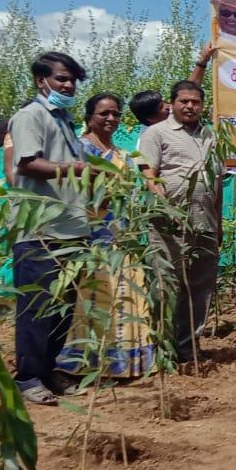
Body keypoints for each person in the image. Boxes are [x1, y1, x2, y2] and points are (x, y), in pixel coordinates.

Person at [8, 51, 95, 405]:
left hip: (70, 227)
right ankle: (27, 377)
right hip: (40, 229)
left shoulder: (65, 120)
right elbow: (28, 164)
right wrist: (75, 169)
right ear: (40, 80)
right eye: (61, 78)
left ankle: (48, 370)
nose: (68, 85)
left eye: (72, 80)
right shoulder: (30, 116)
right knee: (36, 307)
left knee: (63, 307)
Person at [57, 93, 156, 382]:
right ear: (89, 117)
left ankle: (123, 364)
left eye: (115, 113)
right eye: (104, 114)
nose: (111, 118)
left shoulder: (122, 153)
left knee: (125, 292)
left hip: (121, 233)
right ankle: (84, 365)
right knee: (94, 296)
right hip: (90, 234)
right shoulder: (77, 150)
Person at [138, 79, 222, 368]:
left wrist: (218, 223)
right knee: (166, 287)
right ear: (172, 104)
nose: (190, 106)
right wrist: (166, 207)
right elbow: (149, 174)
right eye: (184, 101)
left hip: (204, 223)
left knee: (199, 289)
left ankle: (188, 347)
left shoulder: (209, 136)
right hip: (168, 225)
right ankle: (161, 350)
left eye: (195, 102)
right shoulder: (156, 133)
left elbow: (217, 183)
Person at [128, 43, 218, 127]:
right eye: (161, 107)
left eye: (164, 102)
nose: (168, 106)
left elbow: (190, 87)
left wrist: (203, 61)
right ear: (151, 119)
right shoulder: (153, 139)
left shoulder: (175, 123)